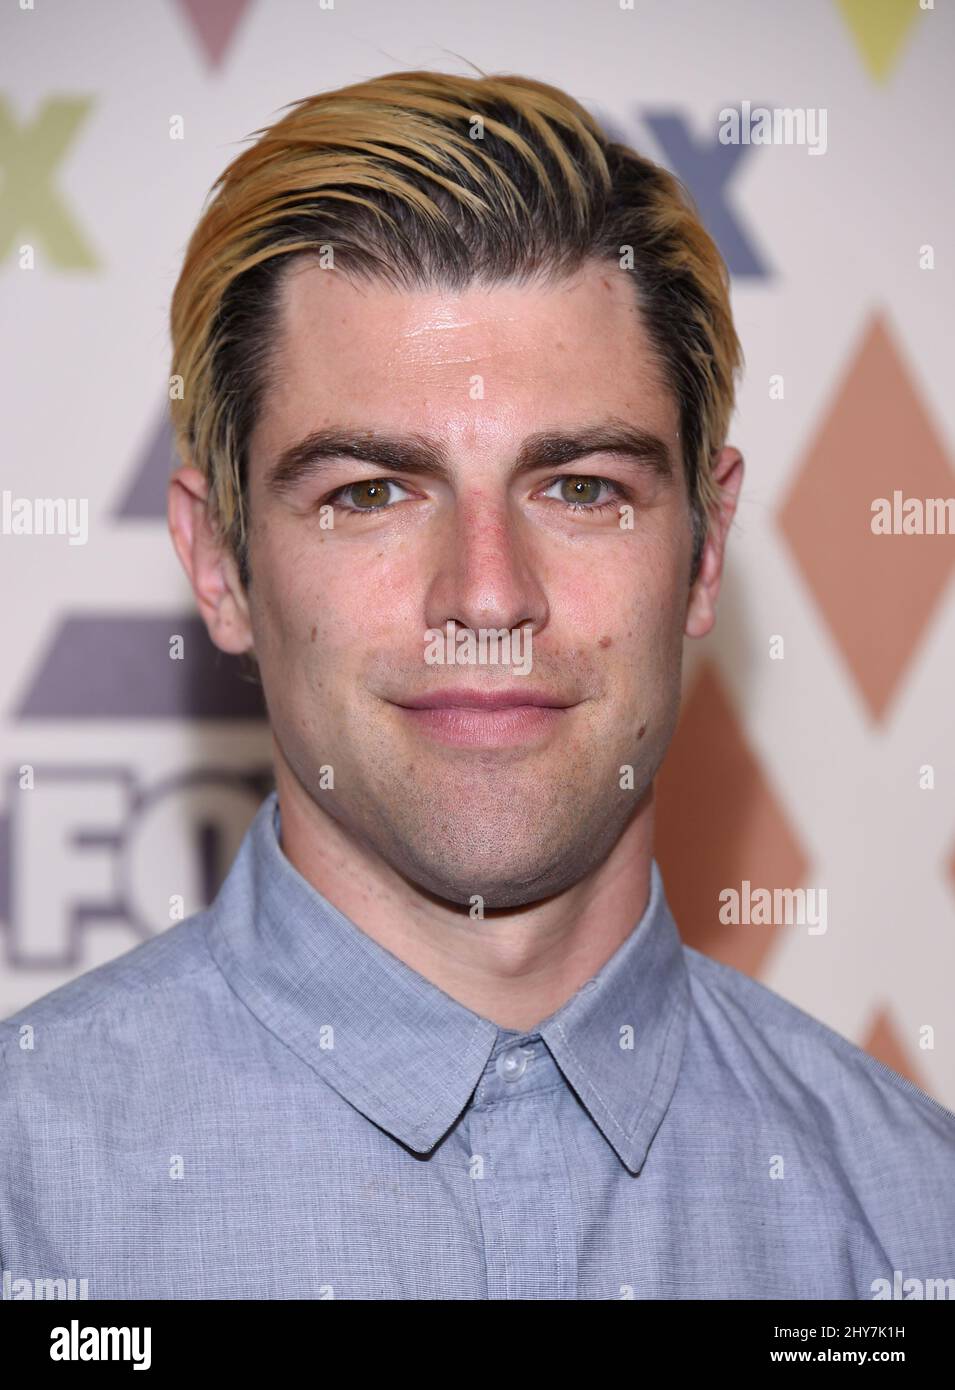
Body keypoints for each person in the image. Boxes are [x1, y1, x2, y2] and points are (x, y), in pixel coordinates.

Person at [2, 69, 952, 1302]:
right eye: (368, 493)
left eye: (582, 487)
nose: (488, 595)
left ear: (704, 551)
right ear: (221, 564)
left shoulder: (913, 1228)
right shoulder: (28, 1208)